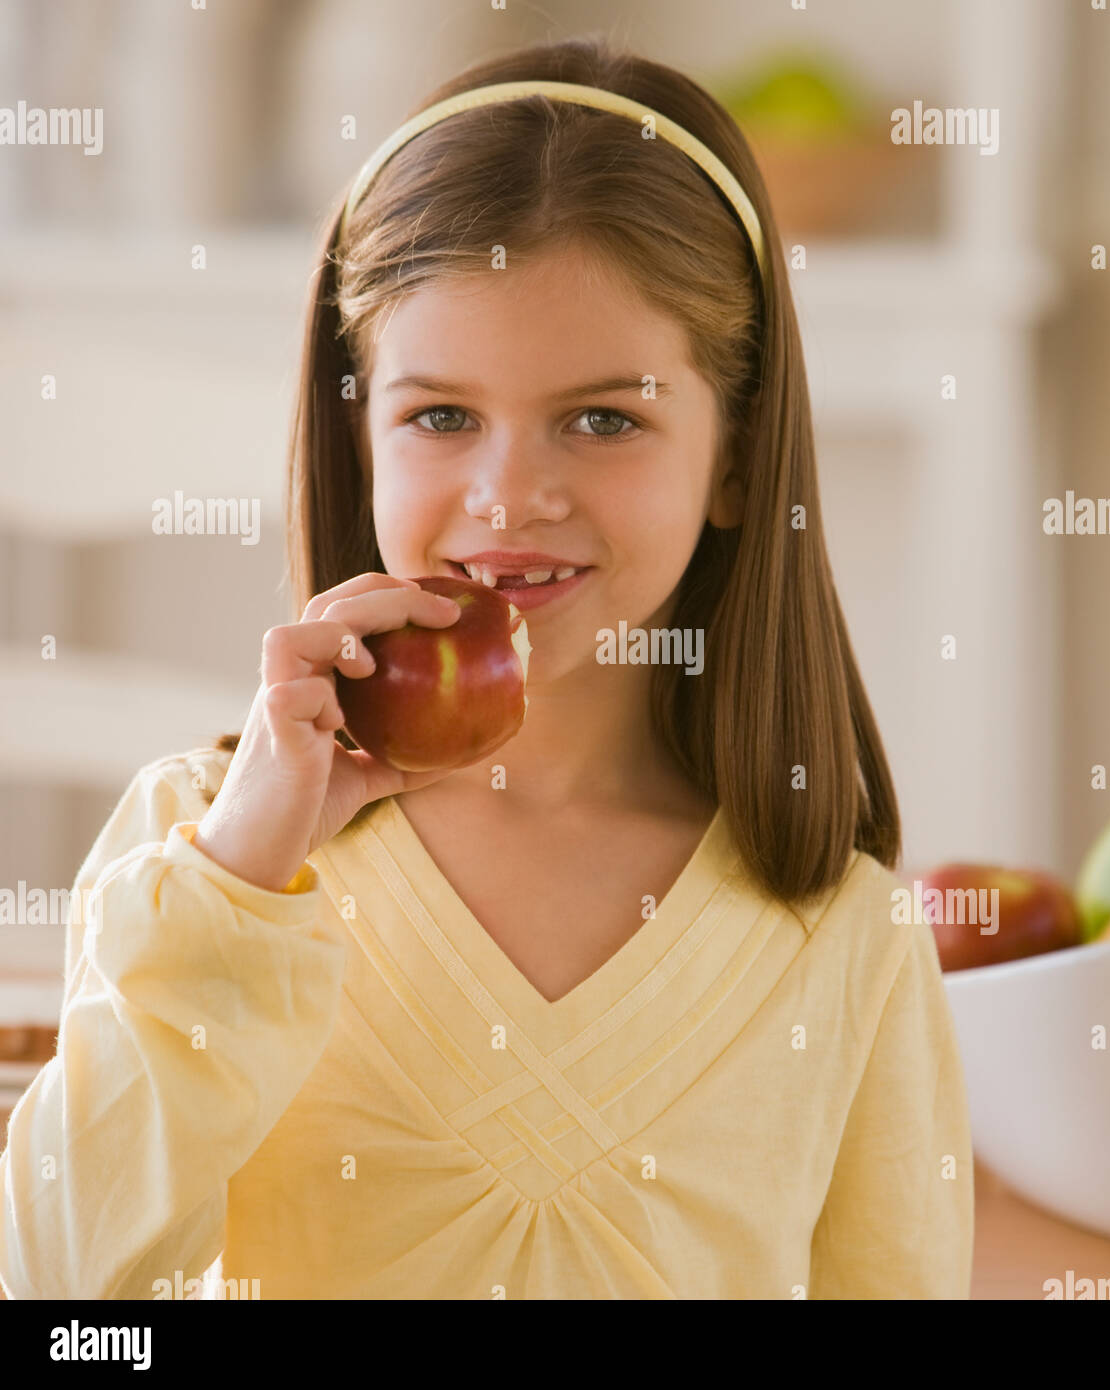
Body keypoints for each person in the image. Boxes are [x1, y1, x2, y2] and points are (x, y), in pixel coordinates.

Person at [0, 34, 972, 1300]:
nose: (509, 497)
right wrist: (240, 876)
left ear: (735, 459)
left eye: (605, 418)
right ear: (360, 443)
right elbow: (58, 1296)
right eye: (441, 416)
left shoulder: (844, 940)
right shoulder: (205, 851)